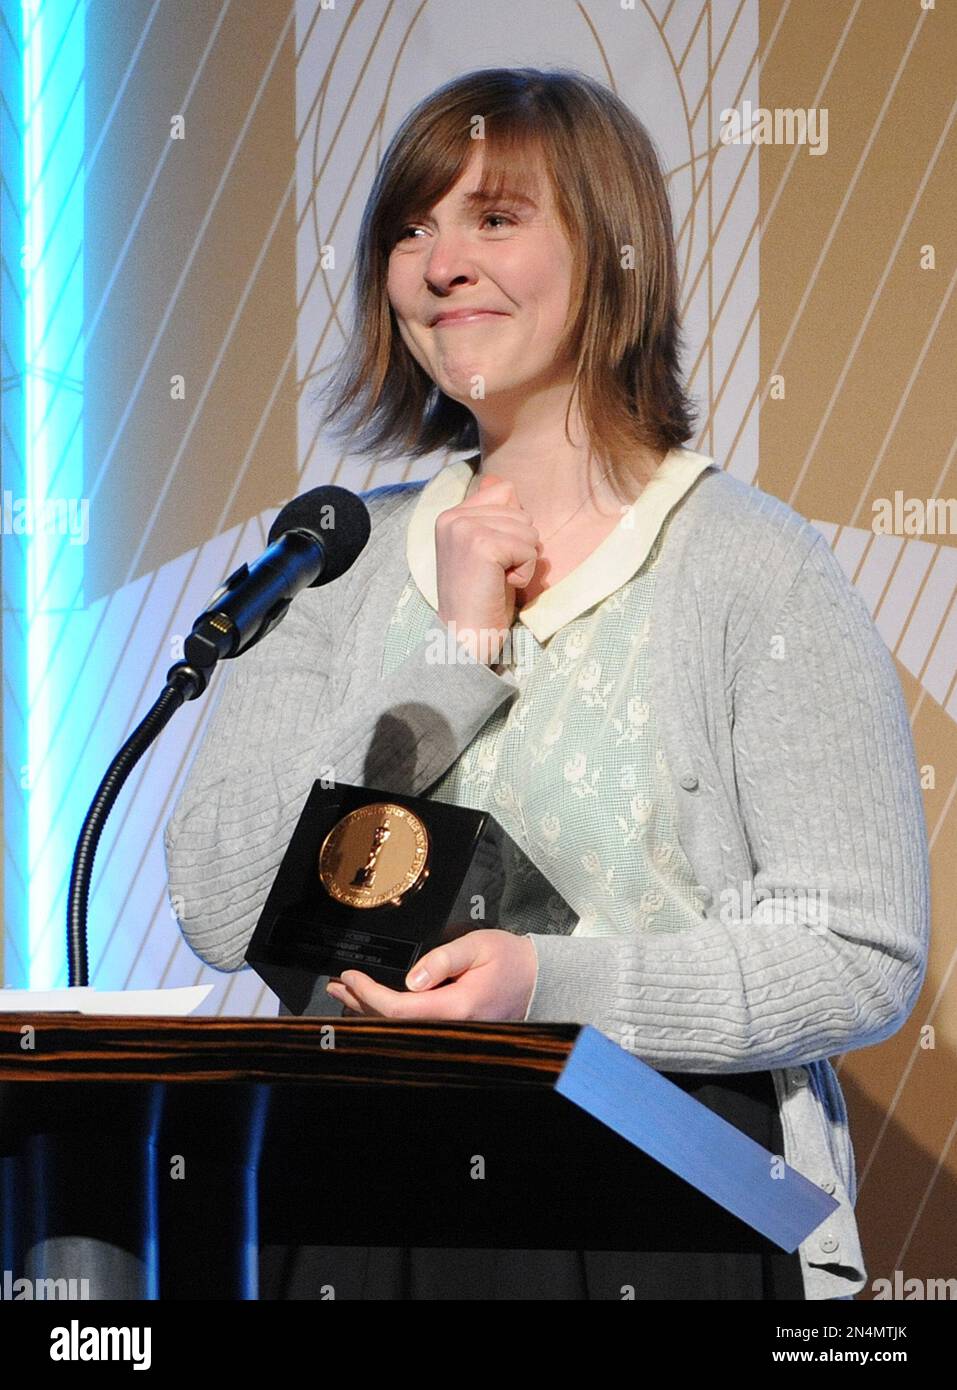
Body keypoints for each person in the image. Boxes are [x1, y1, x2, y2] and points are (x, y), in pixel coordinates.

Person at [164, 67, 929, 1300]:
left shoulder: (751, 564)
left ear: (614, 254)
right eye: (411, 227)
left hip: (670, 1217)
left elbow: (857, 952)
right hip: (363, 1214)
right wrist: (452, 662)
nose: (440, 261)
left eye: (495, 219)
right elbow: (220, 895)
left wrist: (545, 990)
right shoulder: (332, 558)